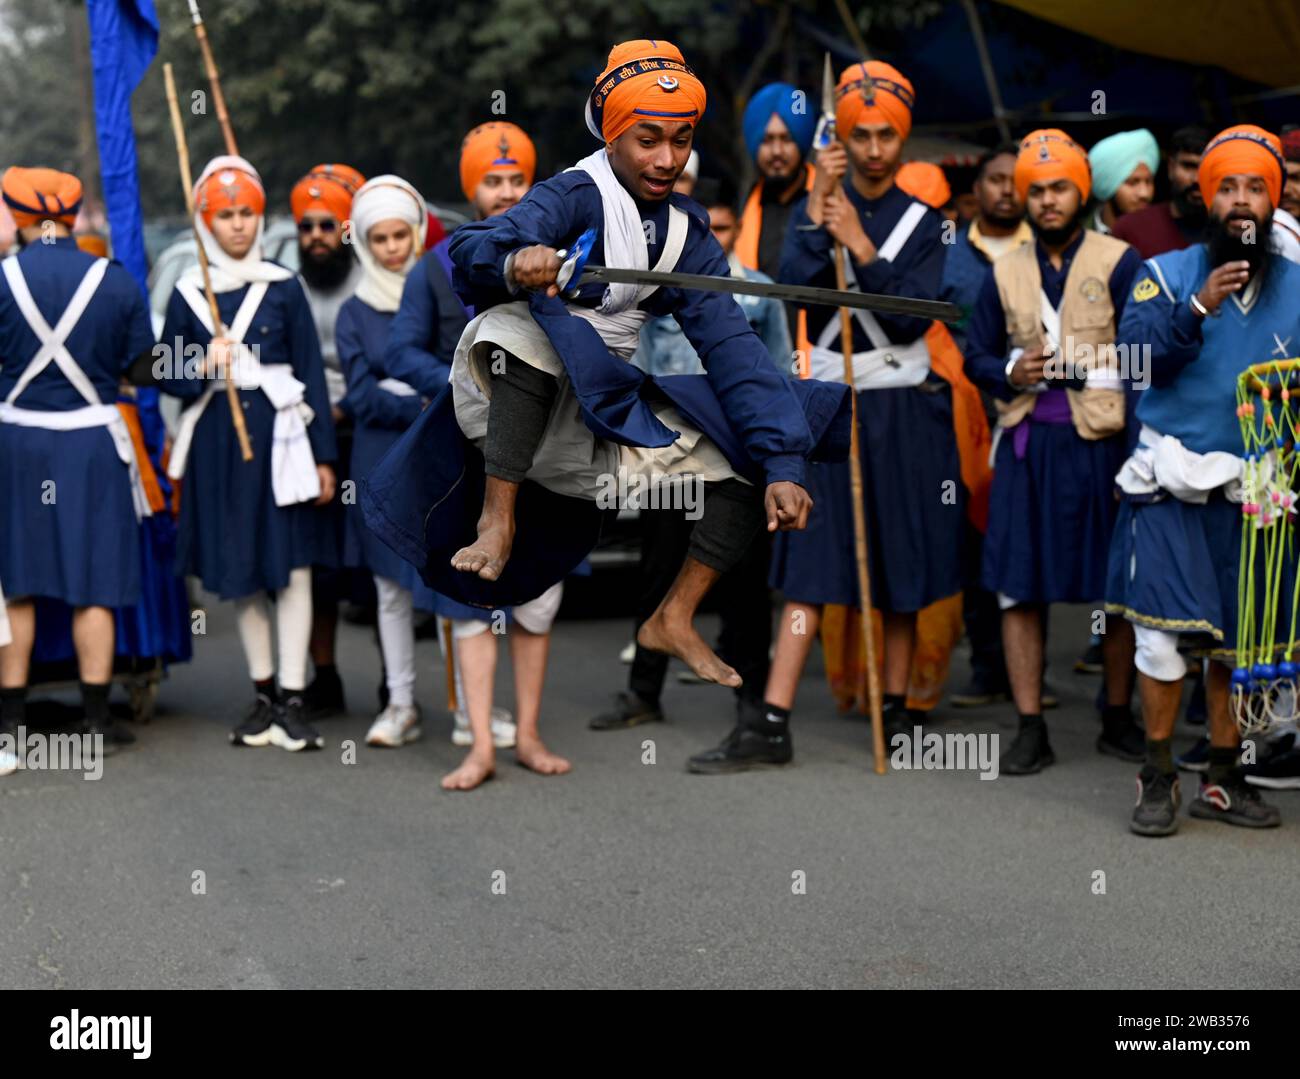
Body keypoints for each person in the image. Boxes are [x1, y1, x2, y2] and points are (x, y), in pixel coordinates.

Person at [362, 38, 848, 788]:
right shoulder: (573, 192)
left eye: (680, 140)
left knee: (770, 429)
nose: (665, 158)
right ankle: (499, 515)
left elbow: (734, 352)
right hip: (511, 408)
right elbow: (473, 246)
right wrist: (512, 261)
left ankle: (674, 615)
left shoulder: (688, 234)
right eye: (646, 138)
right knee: (517, 327)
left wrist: (785, 461)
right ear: (612, 132)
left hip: (605, 420)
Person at [690, 60, 962, 771]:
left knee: (902, 562)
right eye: (861, 135)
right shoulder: (820, 206)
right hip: (834, 403)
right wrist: (820, 212)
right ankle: (771, 720)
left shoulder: (927, 224)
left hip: (904, 405)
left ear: (901, 141)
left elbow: (909, 322)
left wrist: (861, 244)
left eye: (886, 136)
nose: (874, 148)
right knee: (811, 566)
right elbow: (802, 302)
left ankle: (897, 708)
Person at [1109, 124, 1298, 834]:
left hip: (1259, 491)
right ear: (1207, 196)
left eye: (1256, 187)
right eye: (1228, 187)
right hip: (1167, 480)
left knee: (1236, 640)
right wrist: (1197, 309)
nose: (1242, 201)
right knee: (1161, 640)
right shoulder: (1168, 272)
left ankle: (1224, 776)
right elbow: (1133, 360)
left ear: (1271, 198)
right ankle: (1157, 777)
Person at [965, 129, 1145, 773]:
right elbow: (976, 355)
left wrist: (1136, 456)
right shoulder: (1004, 270)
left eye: (1059, 187)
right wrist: (1011, 372)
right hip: (1027, 446)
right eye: (1035, 190)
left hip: (1100, 446)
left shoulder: (1122, 262)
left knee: (1118, 589)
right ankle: (1030, 726)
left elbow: (1144, 364)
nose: (1046, 201)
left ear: (1082, 191)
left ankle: (1118, 716)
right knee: (1017, 588)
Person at [384, 121, 557, 765]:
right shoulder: (437, 264)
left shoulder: (557, 255)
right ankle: (481, 743)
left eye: (516, 180)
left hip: (545, 453)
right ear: (472, 187)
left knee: (539, 600)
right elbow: (400, 349)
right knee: (470, 600)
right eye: (493, 181)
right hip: (465, 453)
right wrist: (467, 383)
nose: (506, 192)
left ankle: (530, 736)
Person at [593, 196, 792, 734]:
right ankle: (643, 692)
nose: (717, 234)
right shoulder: (660, 287)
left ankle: (752, 706)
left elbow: (775, 378)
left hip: (735, 457)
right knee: (657, 572)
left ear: (738, 227)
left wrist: (777, 457)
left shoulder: (761, 293)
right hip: (671, 453)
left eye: (726, 225)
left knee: (745, 584)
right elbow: (637, 366)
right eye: (709, 227)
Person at [159, 155, 337, 752]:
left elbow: (309, 368)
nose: (237, 225)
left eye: (246, 213)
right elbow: (165, 370)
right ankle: (262, 693)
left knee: (294, 567)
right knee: (243, 569)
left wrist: (324, 458)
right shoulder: (189, 291)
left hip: (284, 440)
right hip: (220, 445)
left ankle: (293, 695)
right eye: (225, 215)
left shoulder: (284, 286)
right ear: (207, 221)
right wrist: (201, 362)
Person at [0, 166, 156, 769]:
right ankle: (96, 719)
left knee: (17, 582)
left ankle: (11, 720)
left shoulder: (3, 278)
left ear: (18, 215)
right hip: (92, 444)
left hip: (18, 445)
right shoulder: (113, 281)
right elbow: (143, 371)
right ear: (71, 216)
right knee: (94, 584)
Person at [938, 143, 1032, 711]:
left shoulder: (1046, 250)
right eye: (996, 179)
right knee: (971, 539)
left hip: (1028, 412)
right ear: (979, 189)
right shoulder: (950, 253)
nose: (1006, 190)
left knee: (1022, 542)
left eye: (1015, 180)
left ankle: (1027, 672)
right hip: (962, 415)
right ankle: (985, 666)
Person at [291, 163, 366, 717]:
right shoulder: (285, 287)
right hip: (307, 441)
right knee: (316, 567)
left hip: (366, 436)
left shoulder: (376, 279)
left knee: (375, 564)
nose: (316, 237)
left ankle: (397, 686)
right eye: (306, 226)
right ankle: (323, 676)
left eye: (327, 225)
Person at [736, 82, 817, 285]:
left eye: (786, 139)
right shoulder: (744, 206)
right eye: (767, 140)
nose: (777, 151)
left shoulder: (831, 200)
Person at [1110, 127, 1208, 260]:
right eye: (1188, 166)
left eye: (1208, 168)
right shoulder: (1130, 229)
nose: (1196, 179)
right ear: (1171, 168)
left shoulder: (1234, 230)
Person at [1086, 129, 1158, 234]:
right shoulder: (1077, 236)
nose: (1144, 193)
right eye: (1132, 183)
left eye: (1148, 182)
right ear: (1108, 186)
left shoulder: (1162, 234)